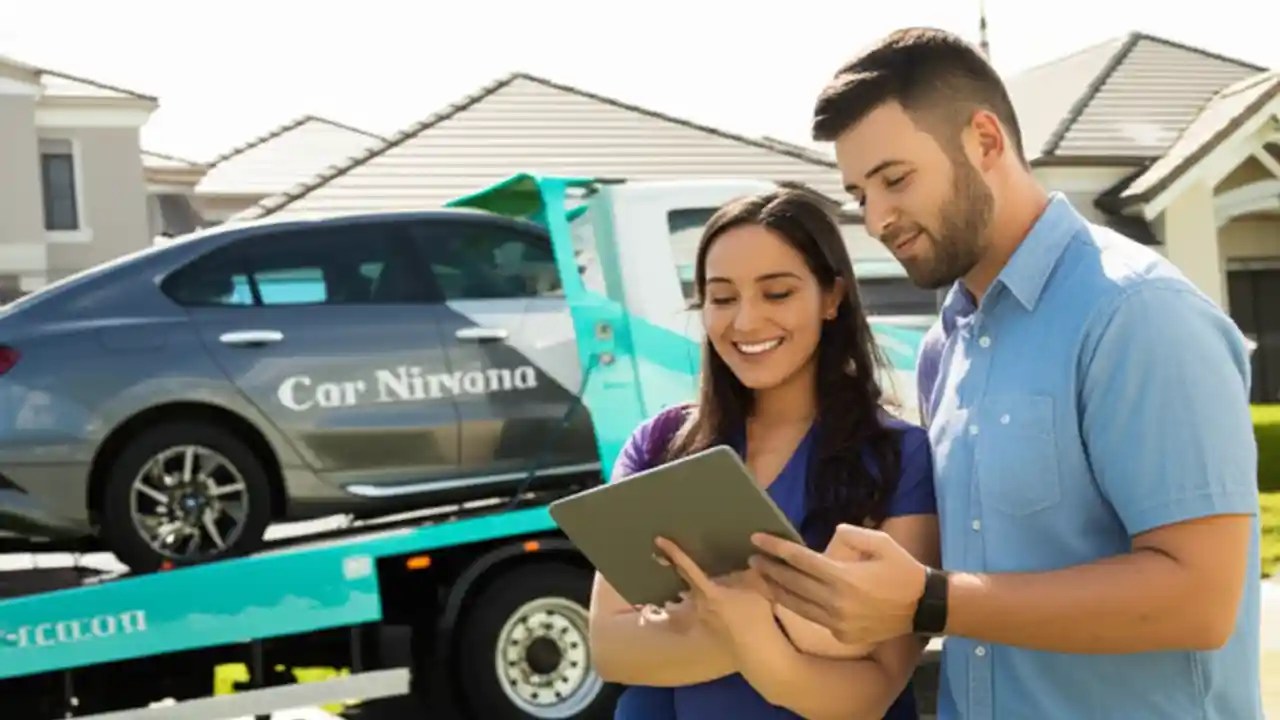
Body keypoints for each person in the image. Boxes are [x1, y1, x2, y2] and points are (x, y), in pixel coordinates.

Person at [749, 26, 1263, 719]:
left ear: (985, 142)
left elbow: (1201, 599)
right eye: (859, 194)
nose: (876, 218)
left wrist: (931, 599)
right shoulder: (944, 347)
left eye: (895, 179)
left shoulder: (1139, 313)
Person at [588, 185, 940, 719]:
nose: (746, 322)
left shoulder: (901, 458)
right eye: (722, 297)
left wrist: (711, 621)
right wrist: (788, 623)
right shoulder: (657, 446)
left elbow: (870, 692)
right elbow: (611, 649)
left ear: (832, 297)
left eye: (776, 293)